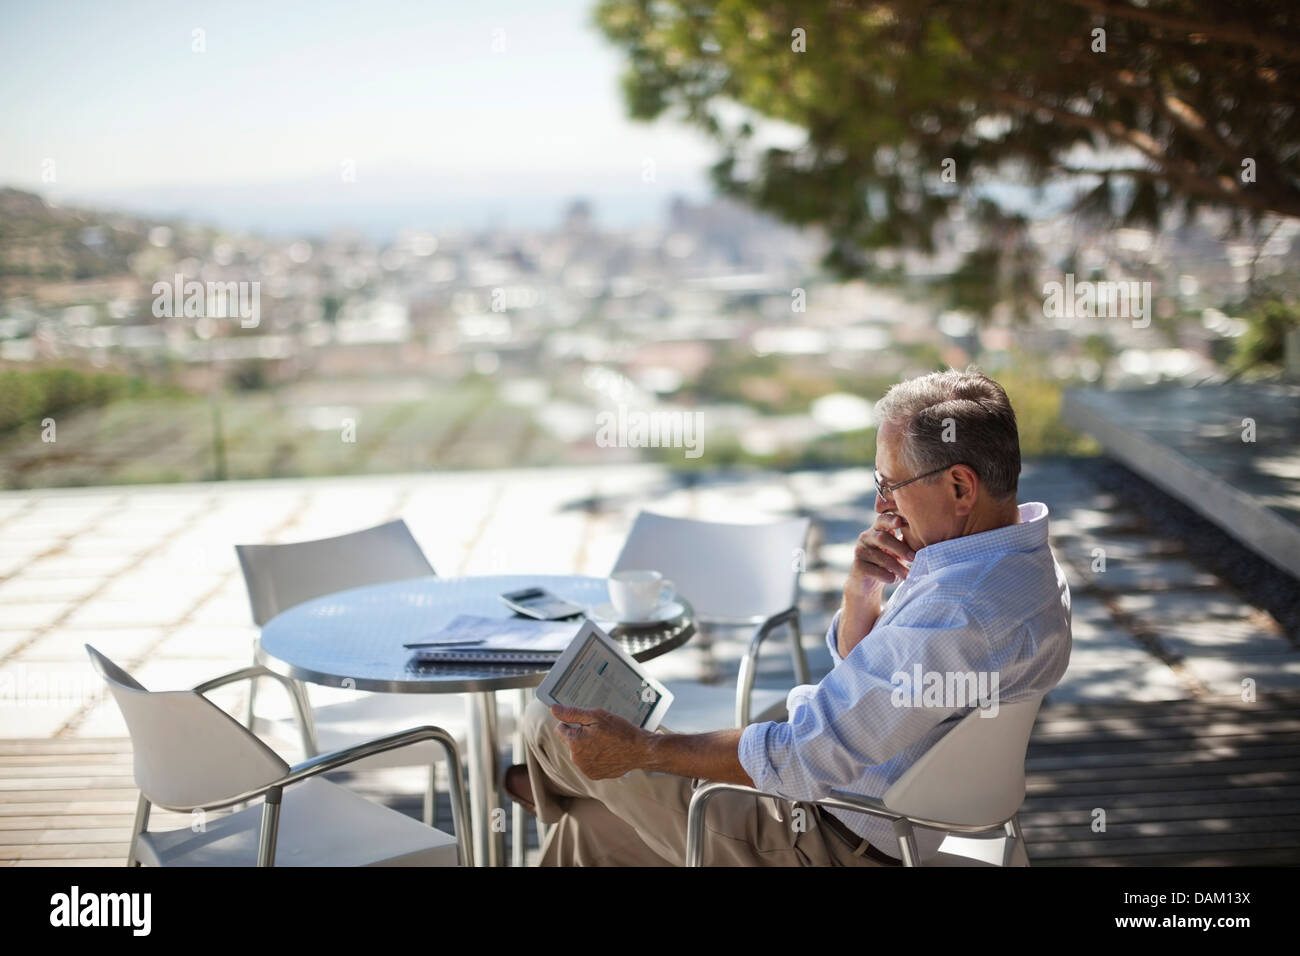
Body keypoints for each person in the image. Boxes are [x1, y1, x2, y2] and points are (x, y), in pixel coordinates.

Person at [504, 367, 1072, 866]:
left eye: (889, 483)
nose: (881, 505)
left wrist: (645, 752)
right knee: (589, 833)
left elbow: (808, 753)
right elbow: (885, 691)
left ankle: (552, 783)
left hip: (822, 841)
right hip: (894, 819)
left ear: (959, 486)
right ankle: (574, 793)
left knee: (550, 723)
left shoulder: (960, 608)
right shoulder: (1018, 560)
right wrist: (862, 595)